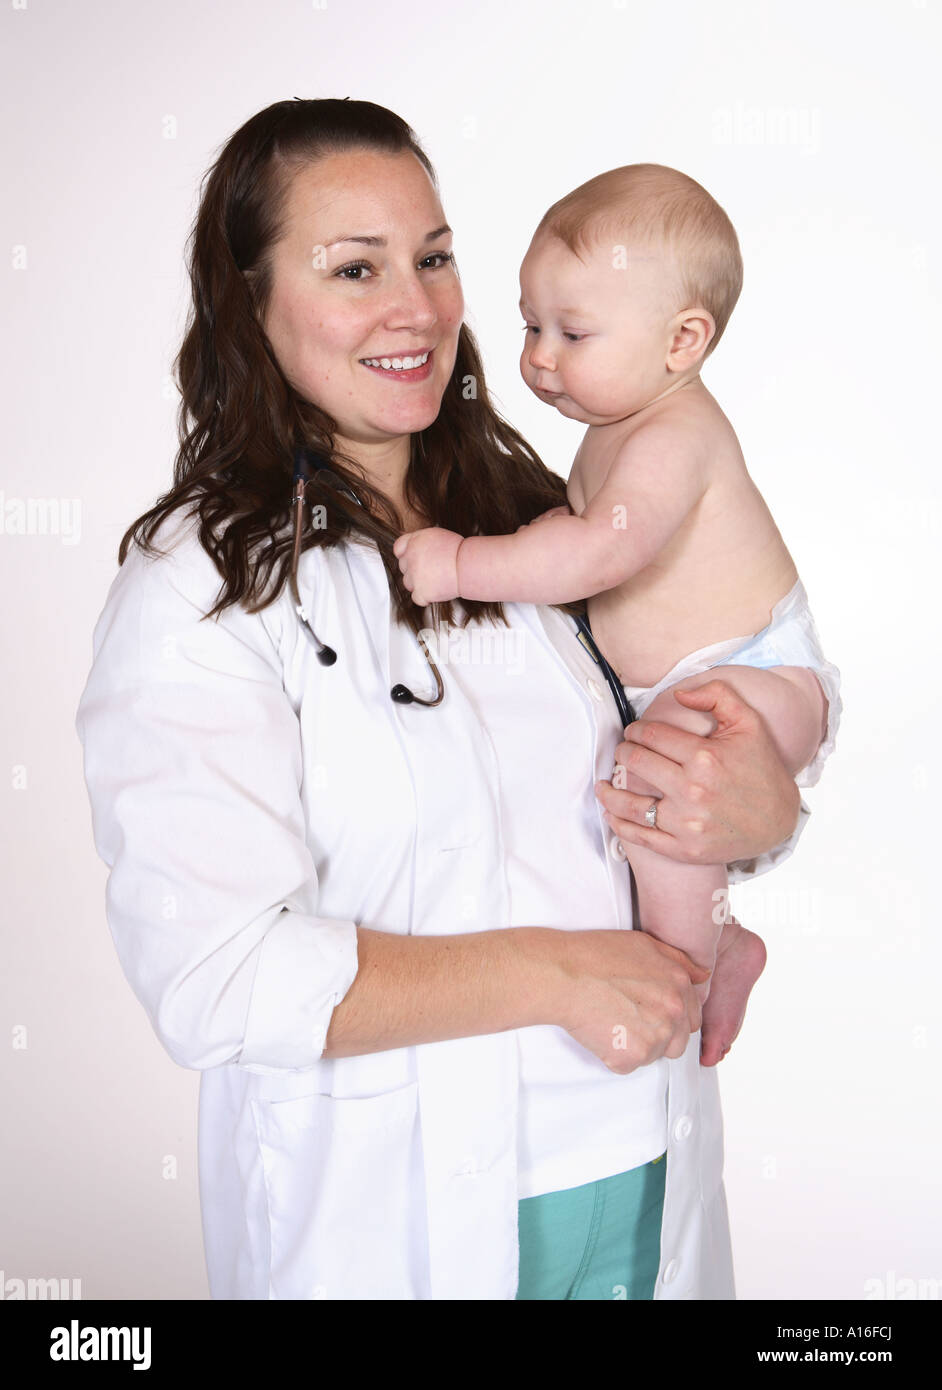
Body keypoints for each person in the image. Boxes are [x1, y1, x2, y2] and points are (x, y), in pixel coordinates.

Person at [75, 98, 818, 1301]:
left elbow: (697, 711)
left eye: (431, 256)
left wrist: (763, 811)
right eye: (353, 268)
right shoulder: (198, 592)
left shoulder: (532, 519)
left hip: (640, 1162)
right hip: (400, 1216)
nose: (415, 308)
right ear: (248, 298)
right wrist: (557, 972)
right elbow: (214, 975)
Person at [394, 163, 842, 1067]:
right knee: (652, 786)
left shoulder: (674, 435)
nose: (539, 358)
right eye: (530, 325)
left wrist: (463, 562)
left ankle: (684, 969)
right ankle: (723, 941)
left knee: (662, 779)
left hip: (753, 667)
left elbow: (601, 552)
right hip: (704, 675)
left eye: (572, 332)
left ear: (682, 342)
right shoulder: (621, 426)